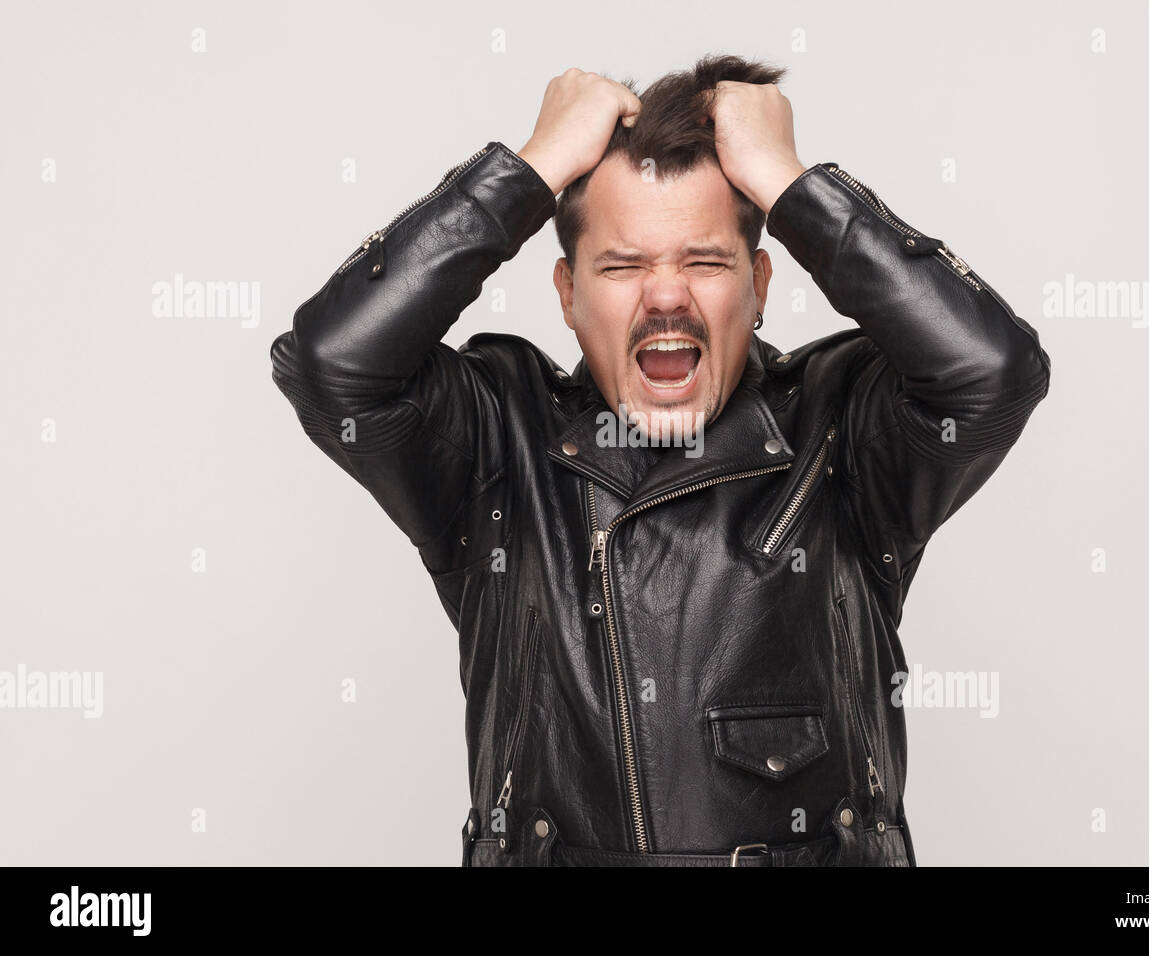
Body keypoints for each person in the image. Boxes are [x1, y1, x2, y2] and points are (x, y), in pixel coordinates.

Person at [269, 54, 1051, 866]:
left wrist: (786, 182)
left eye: (704, 262)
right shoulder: (497, 441)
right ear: (567, 294)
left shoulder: (843, 431)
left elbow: (992, 374)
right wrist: (527, 171)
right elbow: (333, 367)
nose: (667, 295)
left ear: (758, 283)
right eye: (624, 265)